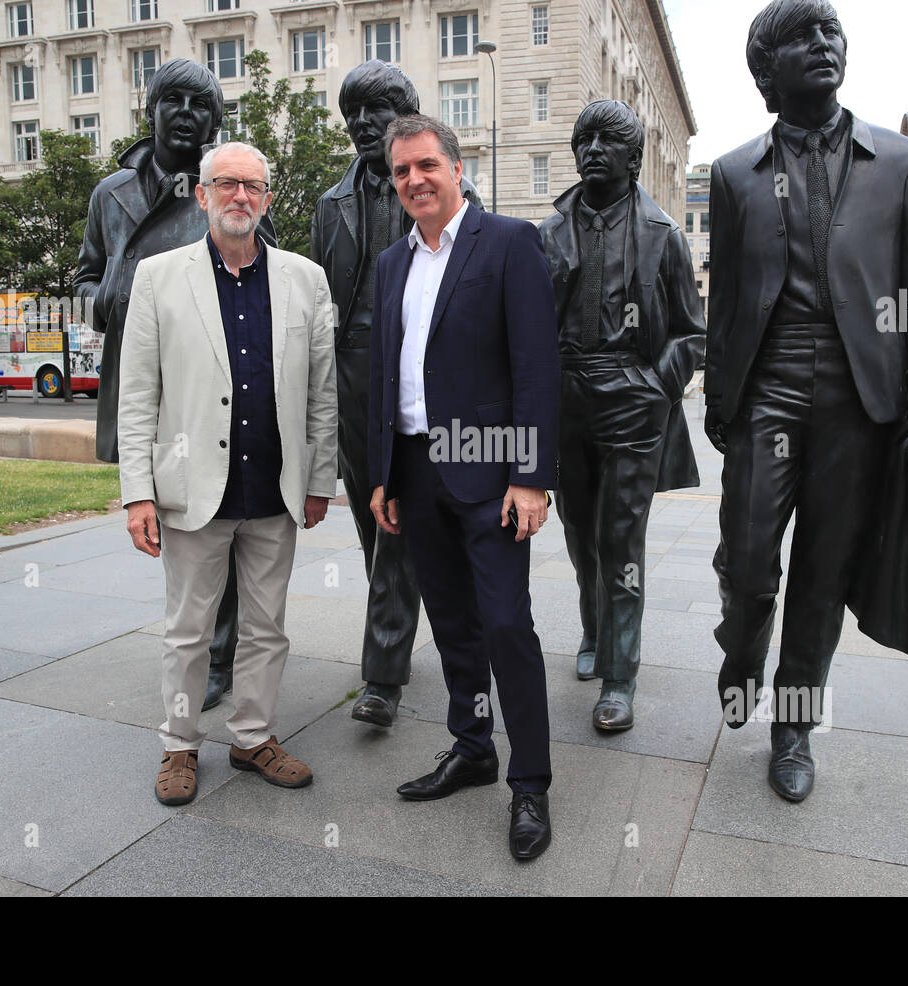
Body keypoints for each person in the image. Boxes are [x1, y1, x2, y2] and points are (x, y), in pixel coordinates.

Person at [705, 0, 908, 801]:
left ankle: (793, 729)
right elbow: (728, 299)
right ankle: (741, 651)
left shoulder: (906, 164)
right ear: (765, 70)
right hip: (765, 389)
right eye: (800, 38)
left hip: (860, 399)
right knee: (749, 566)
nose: (823, 45)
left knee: (821, 575)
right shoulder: (732, 172)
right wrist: (719, 398)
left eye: (831, 33)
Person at [116, 141, 337, 806]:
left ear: (267, 199)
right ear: (202, 195)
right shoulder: (159, 277)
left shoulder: (306, 279)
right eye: (227, 184)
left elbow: (322, 392)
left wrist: (320, 478)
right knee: (188, 629)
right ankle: (179, 745)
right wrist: (137, 494)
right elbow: (137, 395)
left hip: (274, 489)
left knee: (267, 627)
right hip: (191, 492)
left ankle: (252, 737)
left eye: (254, 186)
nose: (241, 196)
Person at [368, 115, 560, 860]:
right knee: (450, 621)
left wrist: (532, 479)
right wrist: (384, 473)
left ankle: (532, 783)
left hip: (490, 470)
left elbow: (537, 368)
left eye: (426, 166)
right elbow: (389, 372)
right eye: (401, 172)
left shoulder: (509, 243)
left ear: (456, 166)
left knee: (507, 624)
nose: (414, 180)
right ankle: (473, 746)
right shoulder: (393, 263)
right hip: (415, 471)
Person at [76, 57, 277, 710]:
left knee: (217, 514)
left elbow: (265, 275)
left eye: (201, 103)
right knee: (182, 529)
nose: (188, 112)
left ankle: (221, 655)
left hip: (211, 383)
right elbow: (83, 282)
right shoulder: (111, 195)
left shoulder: (232, 185)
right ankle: (201, 645)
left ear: (215, 120)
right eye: (174, 100)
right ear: (152, 110)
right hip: (145, 380)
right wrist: (106, 294)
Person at [311, 60, 483, 728]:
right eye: (350, 112)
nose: (359, 124)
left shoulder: (451, 191)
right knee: (374, 522)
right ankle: (411, 622)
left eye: (374, 109)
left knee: (399, 523)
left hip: (422, 380)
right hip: (353, 376)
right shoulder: (330, 203)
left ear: (405, 116)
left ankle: (381, 678)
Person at [538, 100, 706, 732]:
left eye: (608, 140)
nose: (593, 149)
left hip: (631, 399)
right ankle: (592, 630)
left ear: (634, 158)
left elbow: (692, 334)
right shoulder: (547, 233)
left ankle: (620, 675)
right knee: (580, 533)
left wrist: (653, 384)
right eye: (584, 139)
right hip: (565, 398)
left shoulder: (664, 235)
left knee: (621, 536)